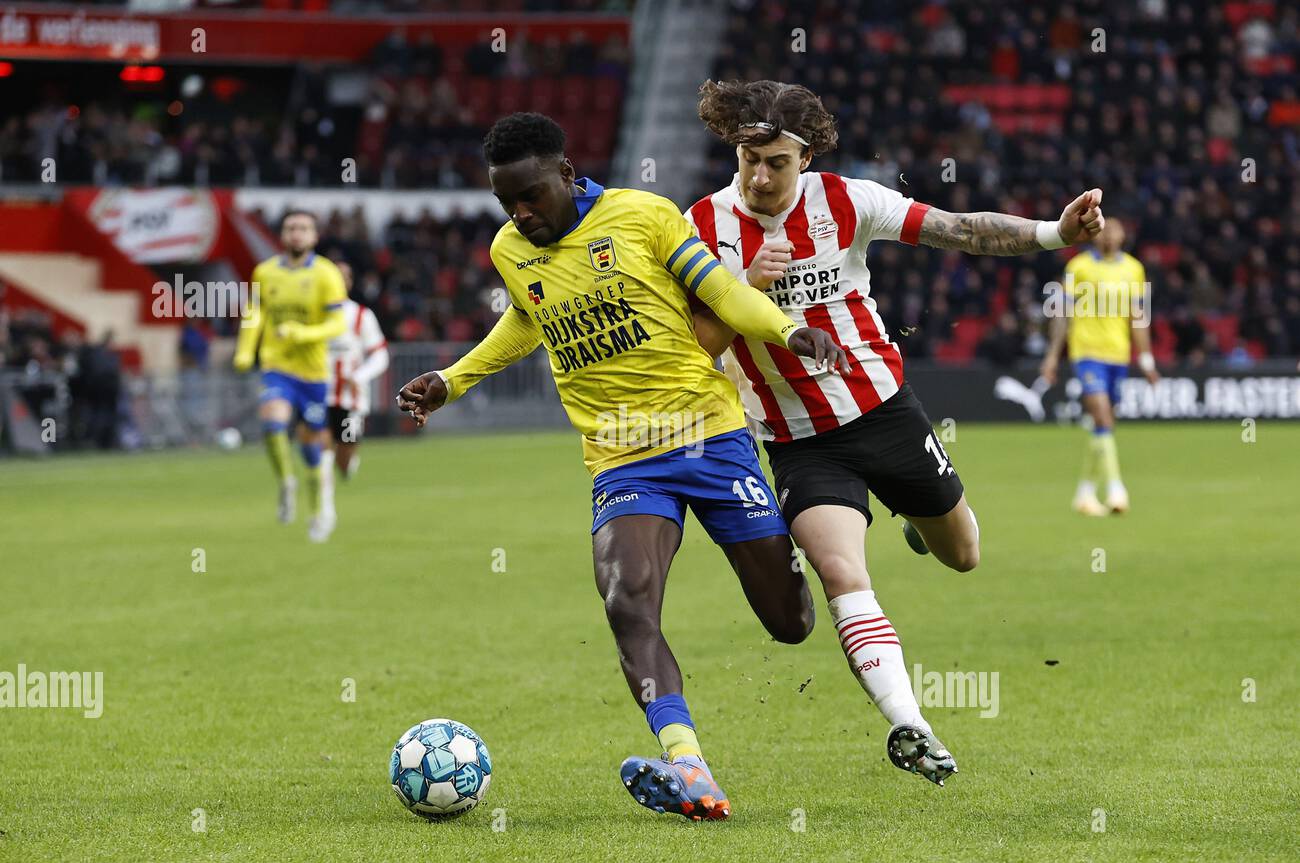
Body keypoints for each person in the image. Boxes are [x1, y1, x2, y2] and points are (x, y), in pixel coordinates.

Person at [398, 112, 848, 821]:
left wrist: (788, 329)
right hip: (622, 455)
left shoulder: (643, 216)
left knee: (790, 623)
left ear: (568, 175)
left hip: (709, 436)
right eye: (505, 203)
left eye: (531, 196)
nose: (520, 214)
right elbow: (528, 318)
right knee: (626, 600)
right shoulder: (511, 250)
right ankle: (689, 767)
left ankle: (810, 514)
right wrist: (453, 379)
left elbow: (722, 292)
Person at [689, 80, 1106, 785]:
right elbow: (693, 346)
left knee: (964, 553)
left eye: (776, 162)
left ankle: (918, 518)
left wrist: (1052, 235)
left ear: (807, 156)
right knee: (842, 572)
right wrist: (742, 289)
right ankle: (912, 724)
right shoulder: (700, 225)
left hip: (885, 412)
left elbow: (958, 229)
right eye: (747, 159)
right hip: (798, 442)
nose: (759, 176)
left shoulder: (848, 201)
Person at [233, 210, 348, 543]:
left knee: (312, 450)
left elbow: (337, 324)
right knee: (272, 423)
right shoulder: (265, 273)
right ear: (282, 235)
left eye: (303, 228)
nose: (296, 233)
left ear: (314, 237)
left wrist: (303, 333)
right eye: (290, 228)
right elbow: (255, 313)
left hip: (313, 374)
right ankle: (286, 483)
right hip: (277, 368)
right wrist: (245, 350)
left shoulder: (327, 274)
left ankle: (317, 511)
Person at [1041, 218, 1158, 515]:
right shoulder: (1078, 267)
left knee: (1103, 426)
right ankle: (1117, 489)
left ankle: (1085, 493)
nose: (1108, 234)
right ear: (1094, 236)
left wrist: (1146, 359)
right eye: (1104, 229)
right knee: (1104, 418)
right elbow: (1062, 314)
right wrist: (1053, 356)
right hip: (1087, 353)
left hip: (1118, 355)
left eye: (1115, 230)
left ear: (1123, 236)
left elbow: (1139, 317)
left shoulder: (1134, 269)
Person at [320, 261, 389, 527]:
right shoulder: (313, 313)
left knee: (344, 456)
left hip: (352, 400)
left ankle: (348, 465)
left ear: (350, 282)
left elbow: (380, 355)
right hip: (320, 396)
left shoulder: (362, 316)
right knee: (321, 449)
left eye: (344, 276)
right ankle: (325, 510)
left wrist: (359, 376)